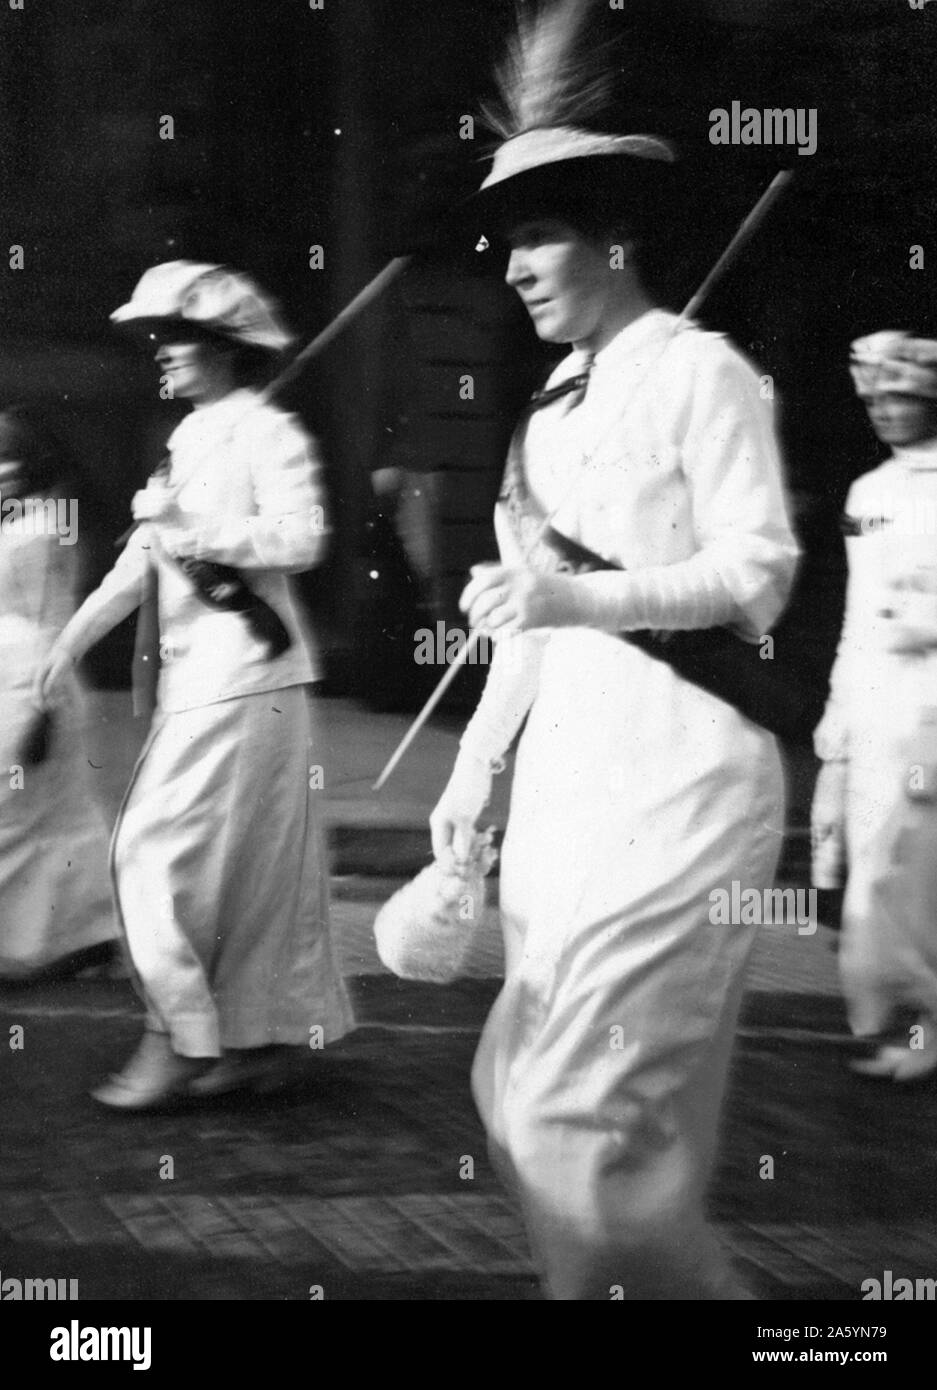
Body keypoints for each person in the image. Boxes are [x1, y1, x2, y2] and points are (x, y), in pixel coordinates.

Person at [427, 10, 799, 1297]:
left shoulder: (706, 377)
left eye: (540, 236)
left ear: (615, 240)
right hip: (575, 793)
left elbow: (756, 578)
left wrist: (571, 604)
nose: (516, 266)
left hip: (690, 777)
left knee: (580, 1130)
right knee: (522, 1096)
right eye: (510, 240)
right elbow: (523, 625)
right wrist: (475, 767)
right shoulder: (542, 417)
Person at [35, 261, 354, 1107]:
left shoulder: (268, 433)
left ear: (222, 346)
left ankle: (175, 1038)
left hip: (251, 674)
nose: (161, 355)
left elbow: (303, 539)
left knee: (151, 851)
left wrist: (193, 524)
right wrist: (67, 643)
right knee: (247, 867)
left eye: (174, 338)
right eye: (156, 341)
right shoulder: (188, 438)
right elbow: (140, 564)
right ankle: (260, 1043)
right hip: (205, 682)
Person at [812, 330, 937, 1083]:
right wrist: (837, 717)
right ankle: (892, 1016)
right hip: (876, 708)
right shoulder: (868, 494)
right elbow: (857, 614)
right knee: (871, 866)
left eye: (901, 397)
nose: (884, 412)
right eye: (872, 400)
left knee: (916, 866)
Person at [0, 408, 117, 978]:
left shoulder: (48, 524)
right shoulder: (10, 517)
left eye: (8, 458)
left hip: (31, 680)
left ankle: (76, 935)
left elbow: (55, 619)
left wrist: (42, 711)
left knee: (25, 810)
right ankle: (55, 939)